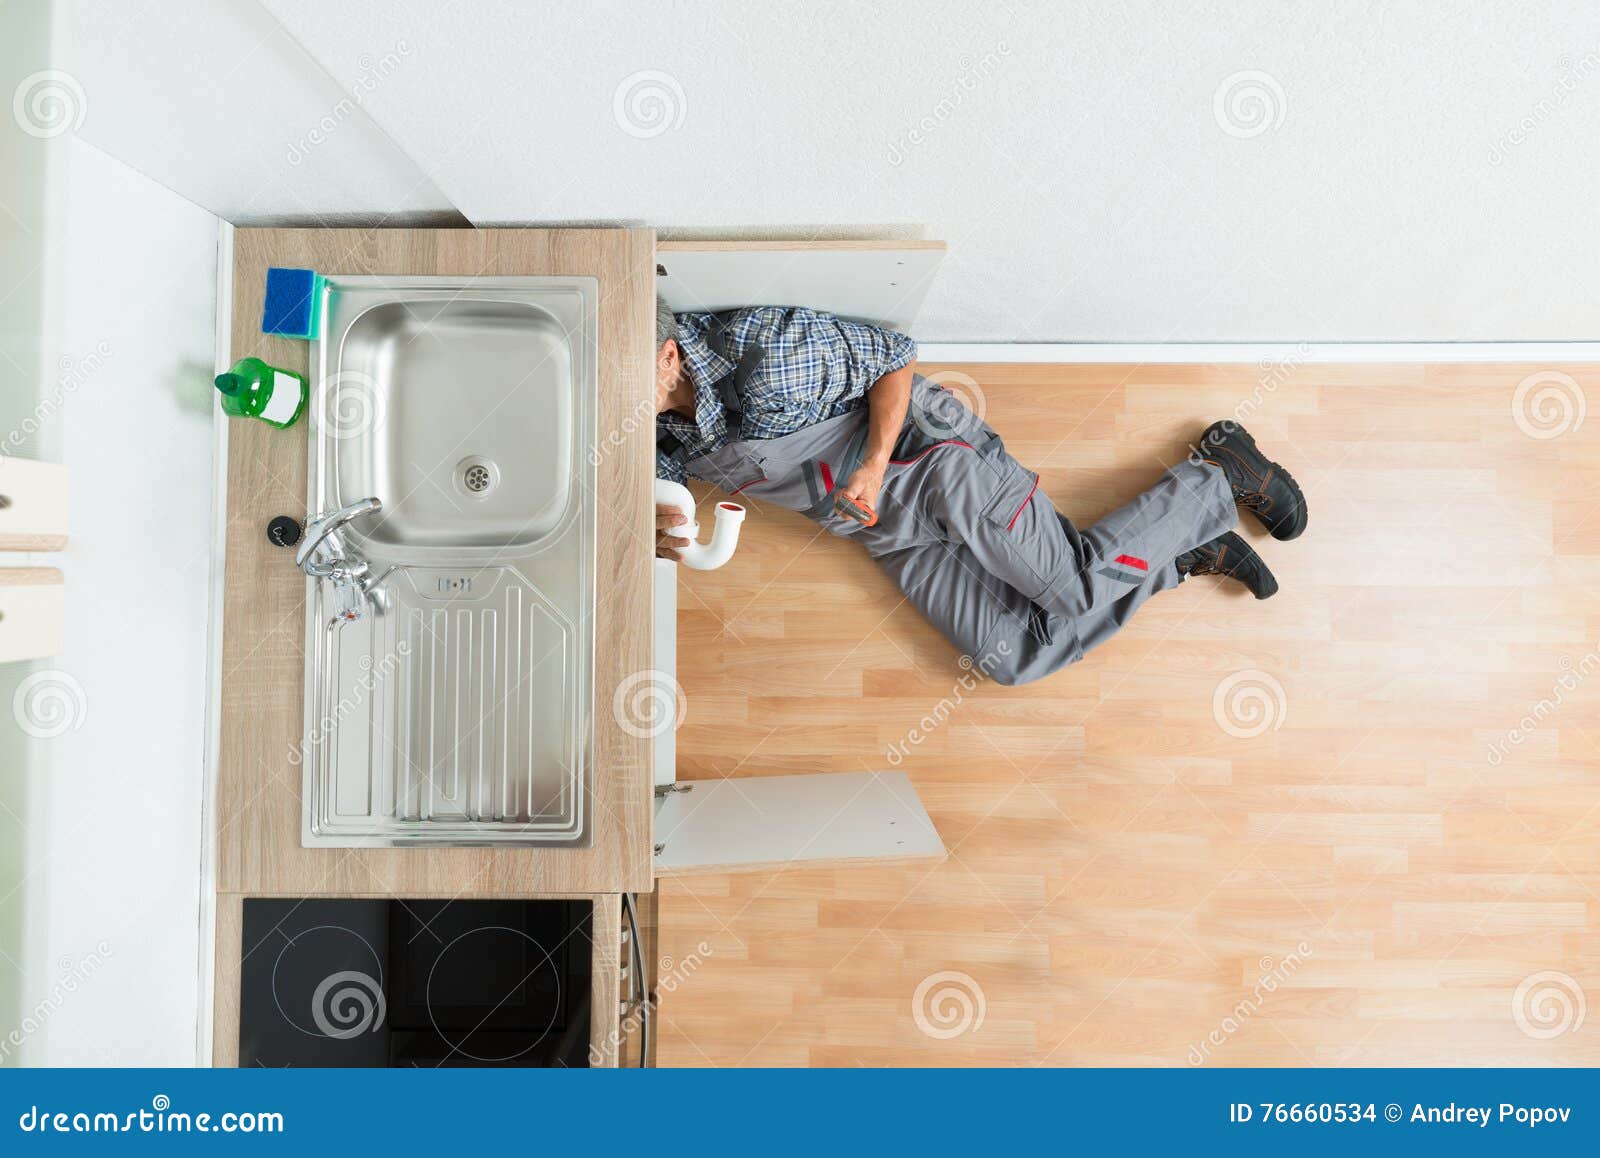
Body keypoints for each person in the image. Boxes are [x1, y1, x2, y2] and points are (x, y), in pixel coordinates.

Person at [653, 301, 1306, 686]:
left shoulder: (759, 354)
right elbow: (664, 493)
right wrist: (666, 528)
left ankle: (1218, 474)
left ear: (667, 356)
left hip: (935, 467)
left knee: (1074, 588)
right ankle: (1182, 553)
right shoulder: (657, 431)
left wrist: (875, 464)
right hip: (885, 530)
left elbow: (893, 357)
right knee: (1012, 658)